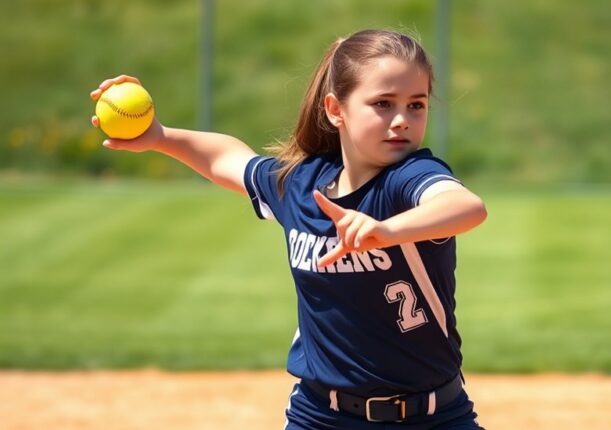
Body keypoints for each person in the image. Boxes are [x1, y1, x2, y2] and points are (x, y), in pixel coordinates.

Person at [90, 29, 487, 429]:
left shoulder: (411, 177)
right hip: (319, 416)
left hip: (431, 418)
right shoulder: (301, 184)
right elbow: (227, 158)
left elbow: (464, 206)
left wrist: (386, 230)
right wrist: (160, 136)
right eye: (383, 103)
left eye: (416, 105)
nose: (401, 120)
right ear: (336, 109)